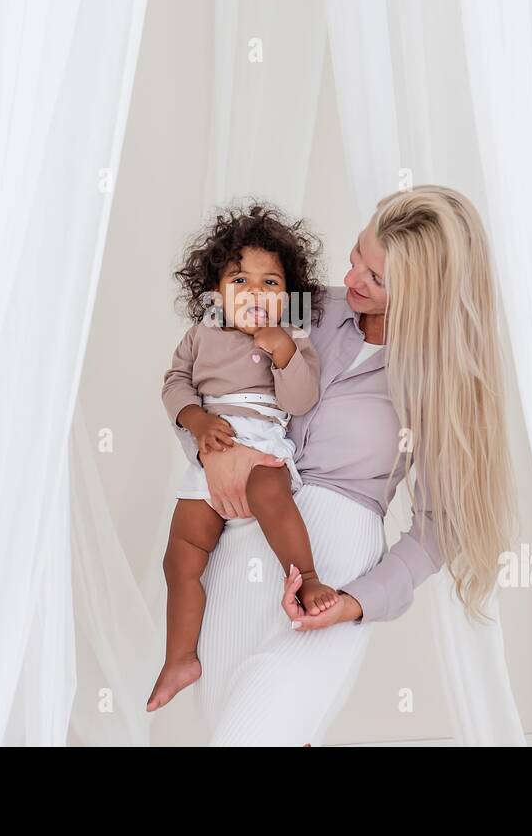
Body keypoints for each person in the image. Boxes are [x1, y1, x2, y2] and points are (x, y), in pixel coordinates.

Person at [179, 186, 516, 745]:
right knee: (226, 725)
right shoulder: (312, 305)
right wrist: (210, 456)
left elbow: (441, 526)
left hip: (331, 572)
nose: (352, 277)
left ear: (424, 294)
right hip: (240, 544)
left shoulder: (440, 382)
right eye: (359, 253)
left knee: (252, 731)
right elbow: (199, 374)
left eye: (376, 278)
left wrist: (358, 604)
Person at [147, 204, 338, 713]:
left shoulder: (293, 338)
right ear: (215, 293)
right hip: (211, 445)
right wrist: (196, 420)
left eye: (270, 283)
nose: (255, 292)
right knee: (181, 552)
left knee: (268, 492)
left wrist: (283, 354)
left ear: (289, 297)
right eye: (240, 280)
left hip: (262, 442)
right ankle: (180, 656)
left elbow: (300, 402)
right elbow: (174, 384)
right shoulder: (201, 334)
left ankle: (308, 576)